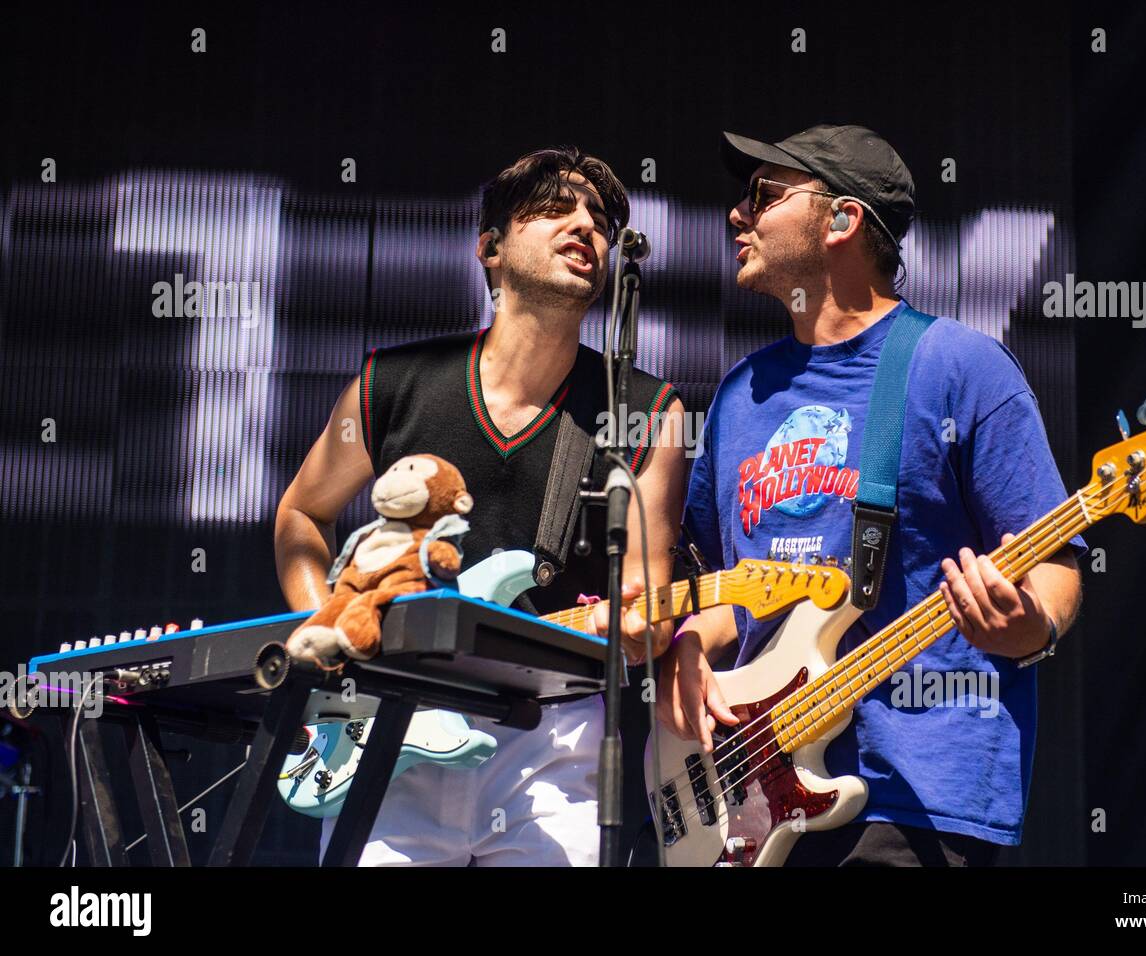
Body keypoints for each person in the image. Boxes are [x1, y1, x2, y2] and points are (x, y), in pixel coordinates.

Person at [655, 124, 1084, 866]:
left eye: (764, 194)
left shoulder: (962, 367)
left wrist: (1024, 628)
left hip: (913, 799)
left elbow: (1057, 564)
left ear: (843, 221)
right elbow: (727, 589)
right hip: (749, 794)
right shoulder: (740, 393)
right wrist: (684, 648)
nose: (737, 214)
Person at [274, 146, 686, 865]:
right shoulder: (392, 383)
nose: (584, 226)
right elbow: (300, 516)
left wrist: (643, 629)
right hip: (391, 721)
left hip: (549, 741)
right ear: (490, 249)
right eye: (555, 209)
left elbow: (643, 604)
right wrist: (328, 625)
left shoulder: (649, 412)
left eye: (599, 219)